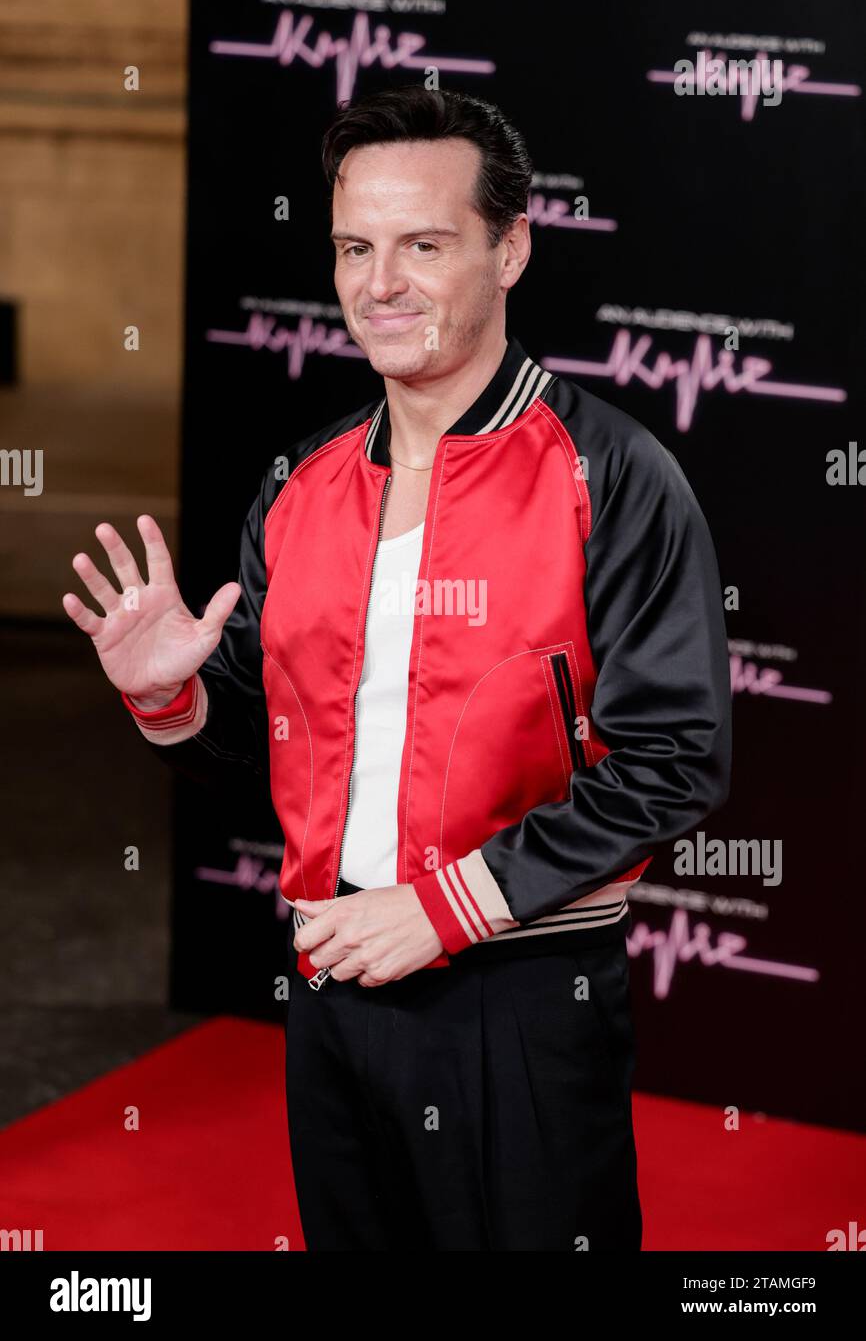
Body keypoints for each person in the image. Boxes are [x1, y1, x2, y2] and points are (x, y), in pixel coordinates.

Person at [62, 85, 731, 1251]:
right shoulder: (301, 487)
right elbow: (266, 745)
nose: (380, 284)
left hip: (522, 992)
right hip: (331, 985)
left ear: (510, 248)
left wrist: (444, 907)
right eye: (354, 248)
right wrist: (168, 692)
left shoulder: (612, 475)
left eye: (424, 245)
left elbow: (674, 763)